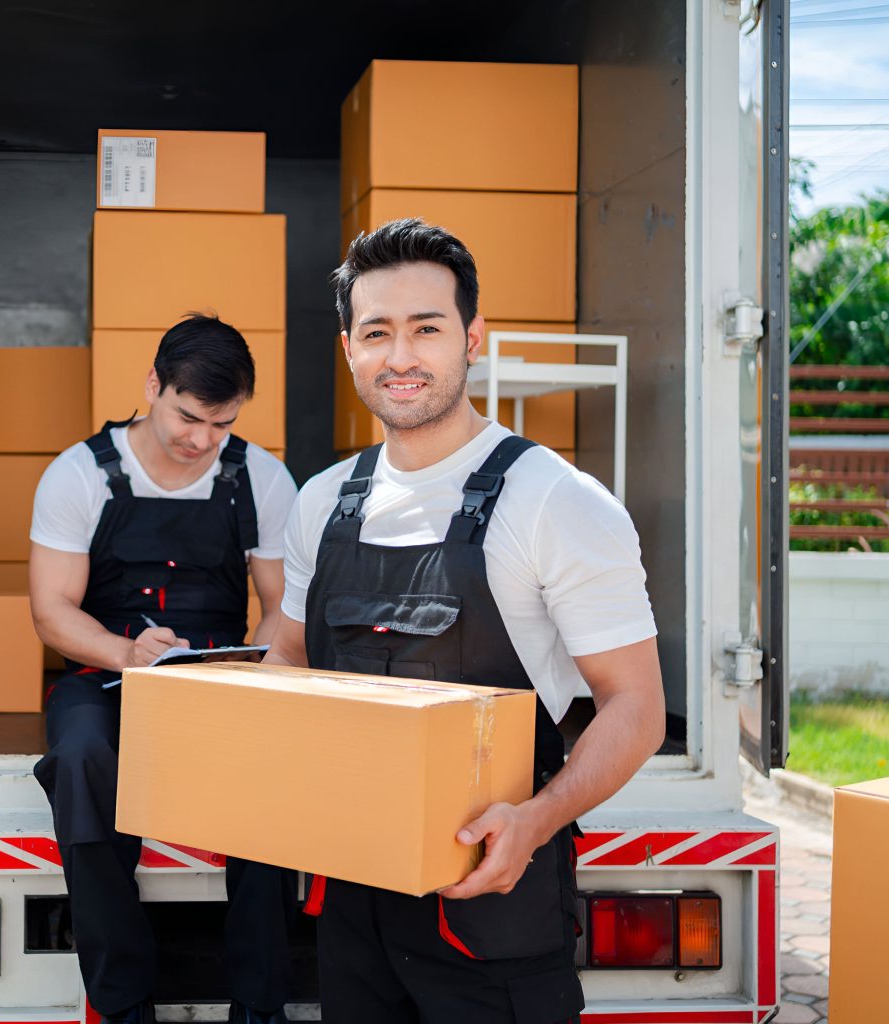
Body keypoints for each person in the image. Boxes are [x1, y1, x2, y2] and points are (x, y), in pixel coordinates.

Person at [261, 219, 666, 1023]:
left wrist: (539, 818)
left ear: (472, 337)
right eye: (376, 332)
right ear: (349, 349)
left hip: (494, 904)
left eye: (426, 329)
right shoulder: (321, 502)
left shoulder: (554, 502)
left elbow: (637, 708)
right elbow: (291, 657)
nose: (400, 356)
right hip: (356, 899)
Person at [29, 314, 300, 1024]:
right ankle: (123, 1006)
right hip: (104, 671)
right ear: (153, 384)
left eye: (222, 423)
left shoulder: (262, 477)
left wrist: (252, 671)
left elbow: (279, 608)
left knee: (274, 777)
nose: (202, 440)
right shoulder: (80, 474)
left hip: (221, 675)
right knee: (82, 760)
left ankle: (260, 1007)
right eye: (189, 417)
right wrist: (126, 654)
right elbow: (52, 611)